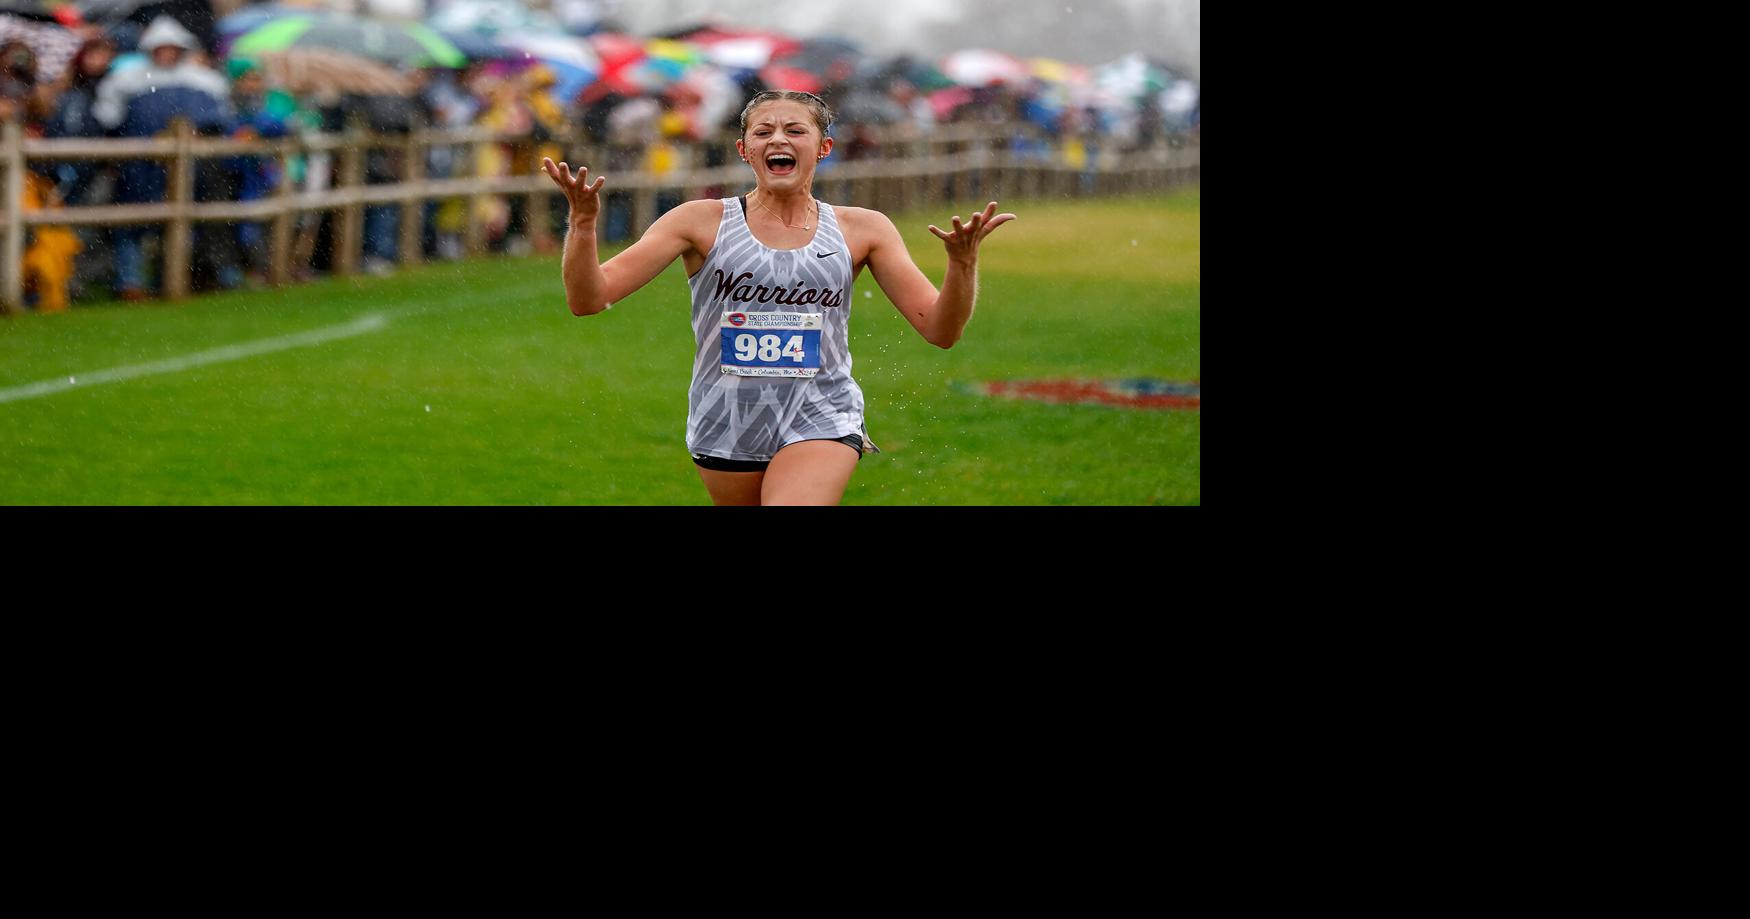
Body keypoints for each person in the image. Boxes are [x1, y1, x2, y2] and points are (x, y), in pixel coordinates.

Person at [542, 89, 1014, 506]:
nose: (778, 139)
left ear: (823, 147)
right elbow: (590, 298)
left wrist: (963, 264)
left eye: (795, 130)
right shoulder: (698, 221)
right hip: (725, 421)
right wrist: (583, 227)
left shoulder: (863, 228)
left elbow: (940, 329)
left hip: (823, 412)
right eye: (763, 131)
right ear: (744, 149)